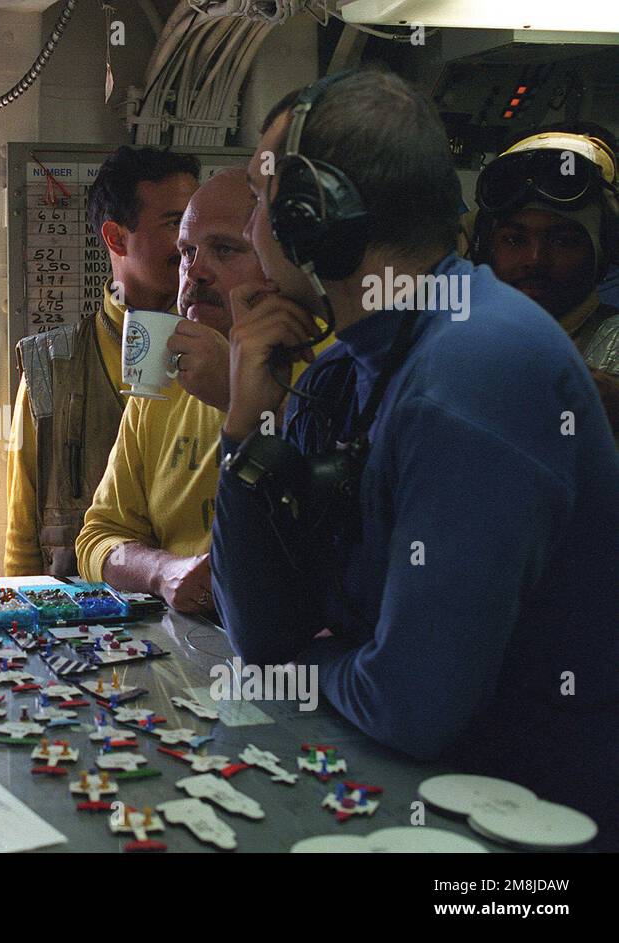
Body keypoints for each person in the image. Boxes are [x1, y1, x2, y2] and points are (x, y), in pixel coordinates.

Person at [210, 68, 619, 848]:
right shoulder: (347, 363)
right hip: (433, 793)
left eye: (263, 201)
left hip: (534, 830)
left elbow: (412, 705)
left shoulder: (476, 367)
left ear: (310, 214)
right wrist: (246, 425)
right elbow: (260, 630)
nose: (257, 226)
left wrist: (307, 663)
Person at [5, 147, 200, 576]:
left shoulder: (222, 355)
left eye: (195, 224)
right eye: (175, 224)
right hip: (79, 625)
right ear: (115, 238)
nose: (191, 242)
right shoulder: (48, 366)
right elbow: (23, 534)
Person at [76, 168, 255, 612]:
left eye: (226, 249)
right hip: (189, 634)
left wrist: (236, 395)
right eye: (186, 252)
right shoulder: (162, 377)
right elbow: (96, 539)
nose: (194, 272)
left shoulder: (334, 369)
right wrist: (161, 572)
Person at [473, 123, 619, 433]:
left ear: (603, 251)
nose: (535, 260)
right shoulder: (460, 338)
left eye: (563, 241)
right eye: (515, 240)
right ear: (487, 247)